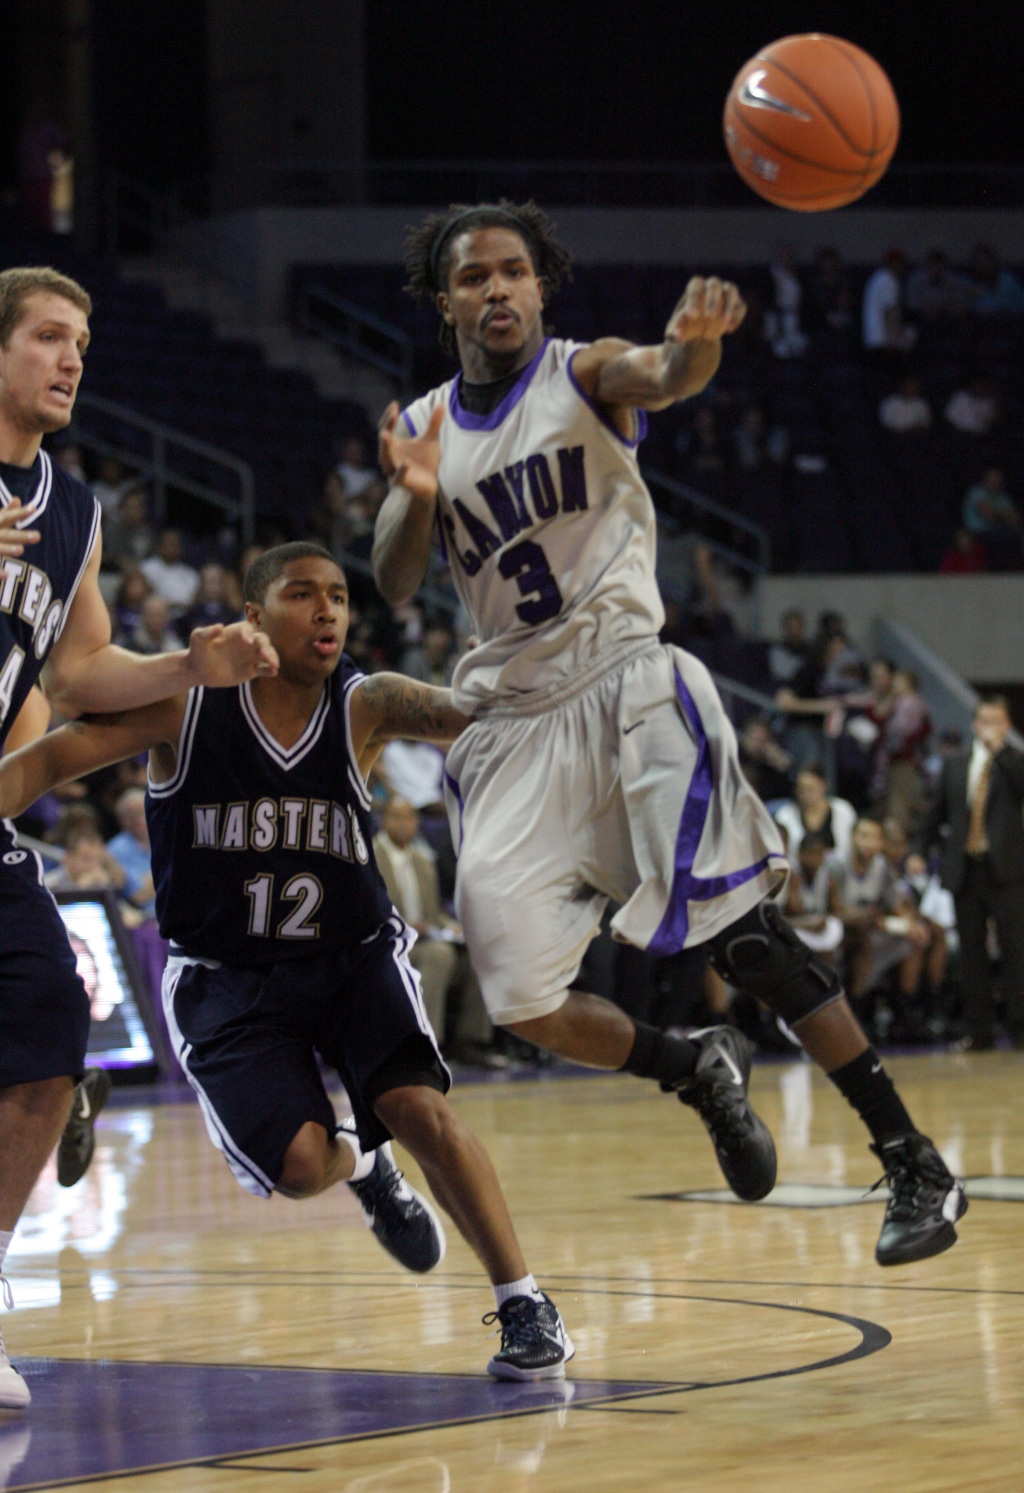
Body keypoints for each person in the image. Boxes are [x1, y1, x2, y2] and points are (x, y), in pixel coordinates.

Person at [373, 199, 966, 1272]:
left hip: (628, 683)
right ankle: (692, 1064)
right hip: (514, 724)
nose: (496, 288)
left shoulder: (580, 370)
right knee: (521, 998)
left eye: (513, 270)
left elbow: (661, 372)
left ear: (540, 285)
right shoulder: (423, 423)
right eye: (473, 276)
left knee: (738, 935)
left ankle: (912, 1156)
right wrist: (415, 490)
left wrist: (693, 346)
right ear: (444, 299)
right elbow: (394, 575)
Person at [0, 543, 573, 1381]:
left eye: (338, 594)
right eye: (302, 594)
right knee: (303, 1167)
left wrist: (549, 683)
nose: (327, 609)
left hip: (350, 956)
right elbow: (55, 756)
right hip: (225, 977)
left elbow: (470, 715)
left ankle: (525, 1301)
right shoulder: (187, 704)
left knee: (419, 1106)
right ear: (254, 616)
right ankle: (365, 1163)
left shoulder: (366, 703)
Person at [0, 264, 278, 1411]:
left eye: (82, 340)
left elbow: (77, 671)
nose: (71, 357)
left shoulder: (72, 509)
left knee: (50, 1036)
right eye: (47, 336)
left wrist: (187, 665)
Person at [914, 695, 1024, 1049]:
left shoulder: (1015, 761)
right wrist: (918, 850)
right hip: (965, 868)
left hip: (1007, 870)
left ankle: (1020, 1028)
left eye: (997, 720)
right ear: (974, 725)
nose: (990, 727)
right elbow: (937, 812)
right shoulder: (955, 764)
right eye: (985, 720)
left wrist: (1000, 751)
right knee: (971, 955)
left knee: (1015, 951)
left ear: (1007, 725)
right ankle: (980, 1032)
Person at [374, 795, 498, 1065]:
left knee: (479, 952)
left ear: (417, 823)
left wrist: (453, 927)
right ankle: (426, 1045)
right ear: (383, 821)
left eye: (409, 818)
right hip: (388, 946)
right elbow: (365, 912)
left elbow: (434, 914)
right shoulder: (370, 858)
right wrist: (406, 926)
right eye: (396, 817)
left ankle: (470, 1042)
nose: (403, 824)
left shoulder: (423, 860)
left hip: (426, 940)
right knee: (440, 954)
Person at [773, 765, 857, 860]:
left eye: (811, 788)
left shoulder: (843, 810)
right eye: (801, 789)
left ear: (824, 786)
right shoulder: (785, 815)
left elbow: (853, 846)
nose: (806, 794)